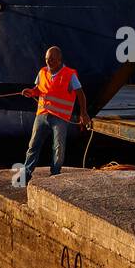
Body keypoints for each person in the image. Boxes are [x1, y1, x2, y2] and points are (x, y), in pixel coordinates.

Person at [19, 46, 91, 184]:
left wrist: (84, 113)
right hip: (42, 115)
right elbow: (37, 89)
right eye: (47, 59)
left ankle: (55, 174)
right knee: (33, 145)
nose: (48, 62)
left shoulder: (70, 74)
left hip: (60, 118)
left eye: (52, 59)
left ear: (59, 60)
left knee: (58, 147)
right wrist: (31, 92)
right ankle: (26, 174)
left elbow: (80, 94)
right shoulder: (42, 72)